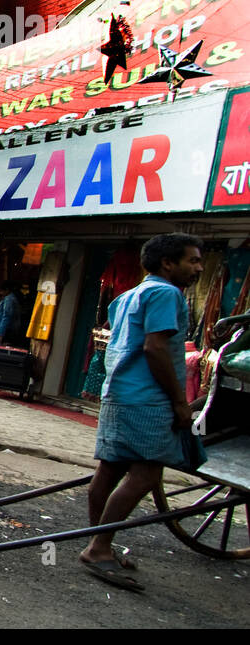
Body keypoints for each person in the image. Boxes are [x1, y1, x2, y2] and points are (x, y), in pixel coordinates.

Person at [79, 233, 205, 592]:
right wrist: (180, 402)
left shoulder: (126, 297)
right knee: (147, 474)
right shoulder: (167, 293)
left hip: (118, 393)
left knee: (110, 469)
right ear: (168, 263)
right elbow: (155, 348)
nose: (198, 268)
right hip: (148, 398)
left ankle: (97, 541)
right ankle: (99, 546)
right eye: (192, 261)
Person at [0, 280, 23, 345]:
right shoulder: (8, 298)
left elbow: (7, 316)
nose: (0, 293)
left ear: (7, 290)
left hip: (4, 330)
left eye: (1, 291)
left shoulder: (9, 299)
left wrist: (0, 334)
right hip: (3, 328)